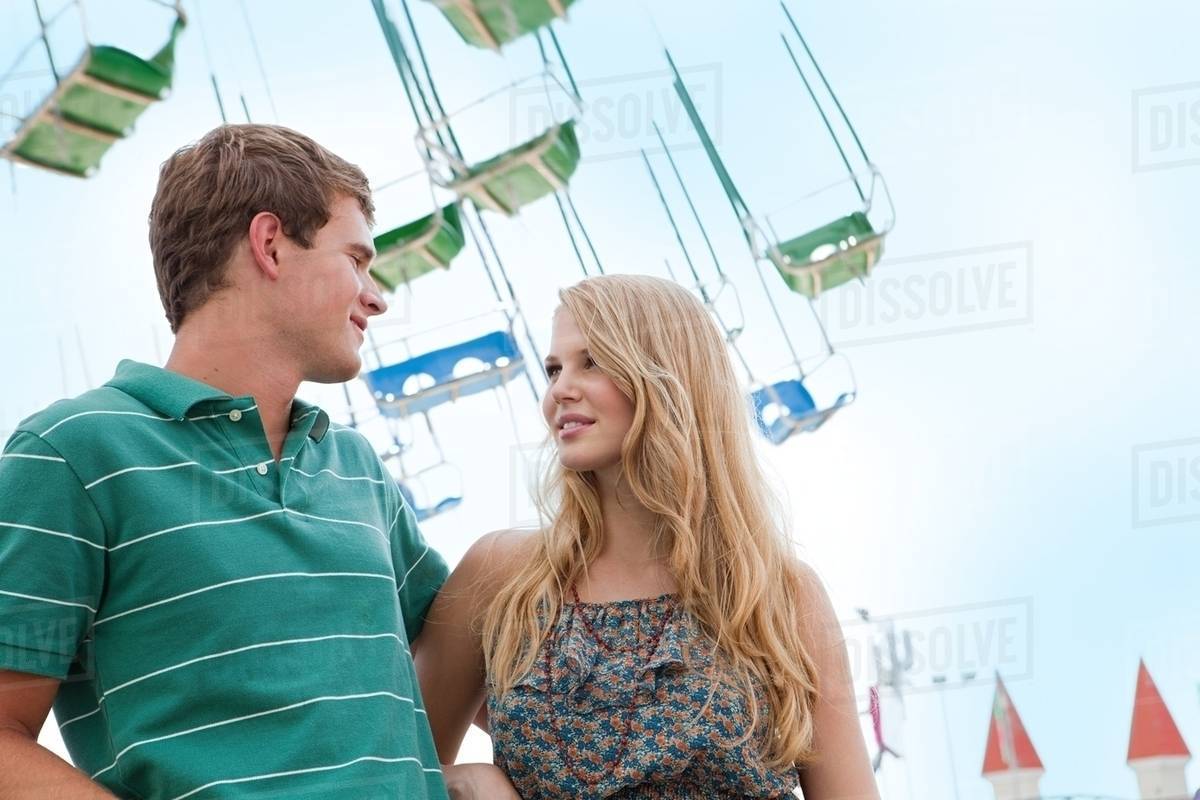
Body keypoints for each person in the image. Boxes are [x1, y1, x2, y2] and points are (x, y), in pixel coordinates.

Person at [0, 124, 492, 798]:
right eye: (356, 259)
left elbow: (485, 680)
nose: (377, 296)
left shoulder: (354, 466)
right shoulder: (72, 453)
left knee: (507, 557)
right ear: (270, 245)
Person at [416, 274, 881, 798]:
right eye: (553, 369)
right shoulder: (501, 575)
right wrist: (477, 785)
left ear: (670, 378)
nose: (558, 390)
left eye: (592, 361)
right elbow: (390, 768)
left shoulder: (781, 596)